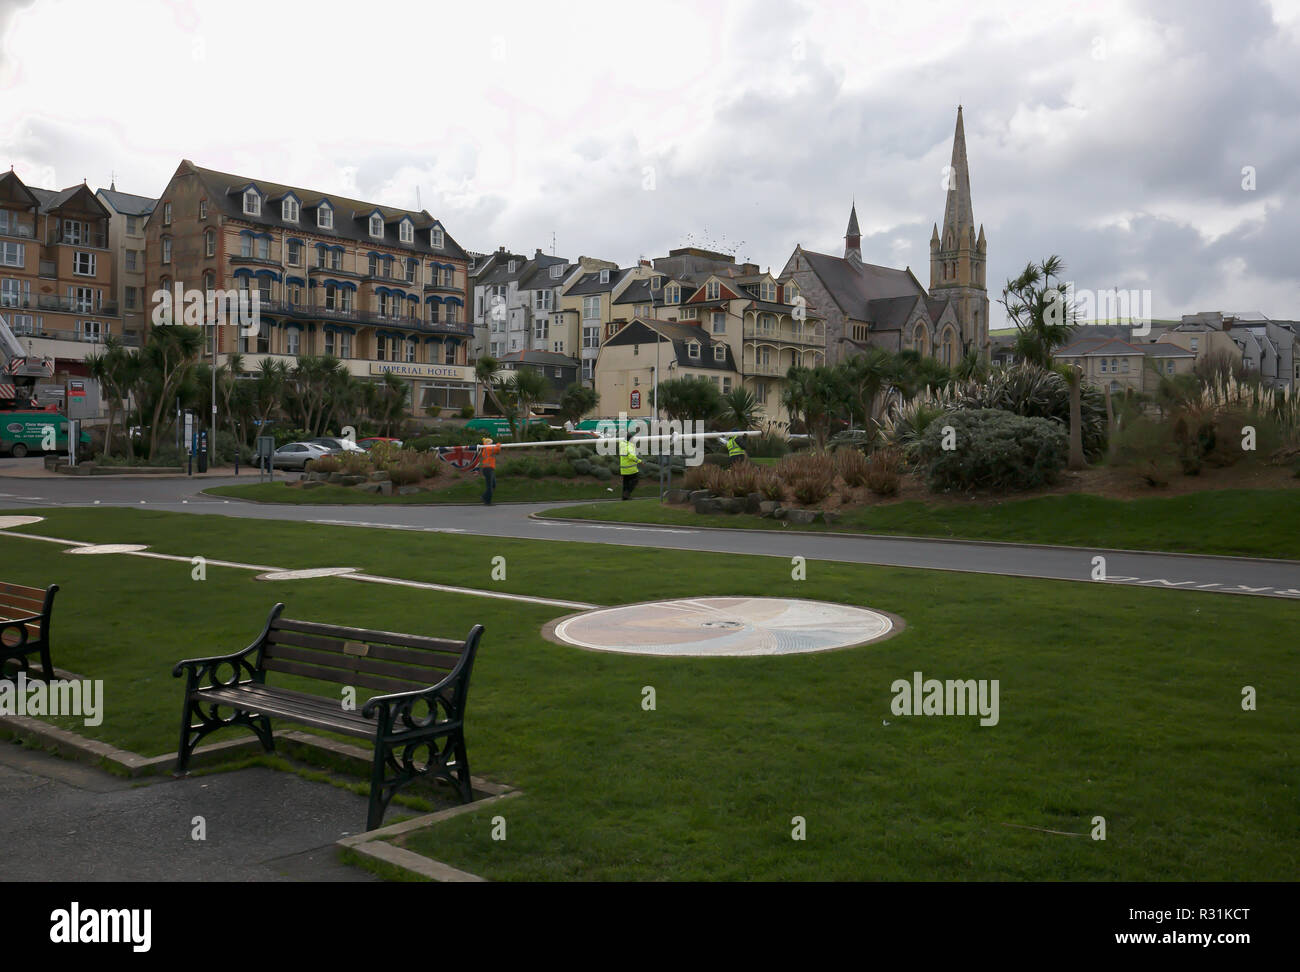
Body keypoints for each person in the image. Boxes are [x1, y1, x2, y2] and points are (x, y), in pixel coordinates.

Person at [617, 428, 642, 500]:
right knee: (635, 480)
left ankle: (624, 497)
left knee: (626, 483)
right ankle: (627, 493)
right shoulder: (629, 446)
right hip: (630, 468)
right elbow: (631, 456)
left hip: (623, 468)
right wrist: (639, 461)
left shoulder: (622, 444)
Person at [479, 437, 502, 505]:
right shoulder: (488, 448)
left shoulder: (487, 448)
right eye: (491, 443)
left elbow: (497, 452)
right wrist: (498, 444)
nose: (492, 444)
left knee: (493, 485)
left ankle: (484, 497)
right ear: (488, 443)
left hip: (489, 468)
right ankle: (487, 501)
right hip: (488, 468)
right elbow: (497, 449)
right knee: (490, 486)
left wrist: (497, 447)